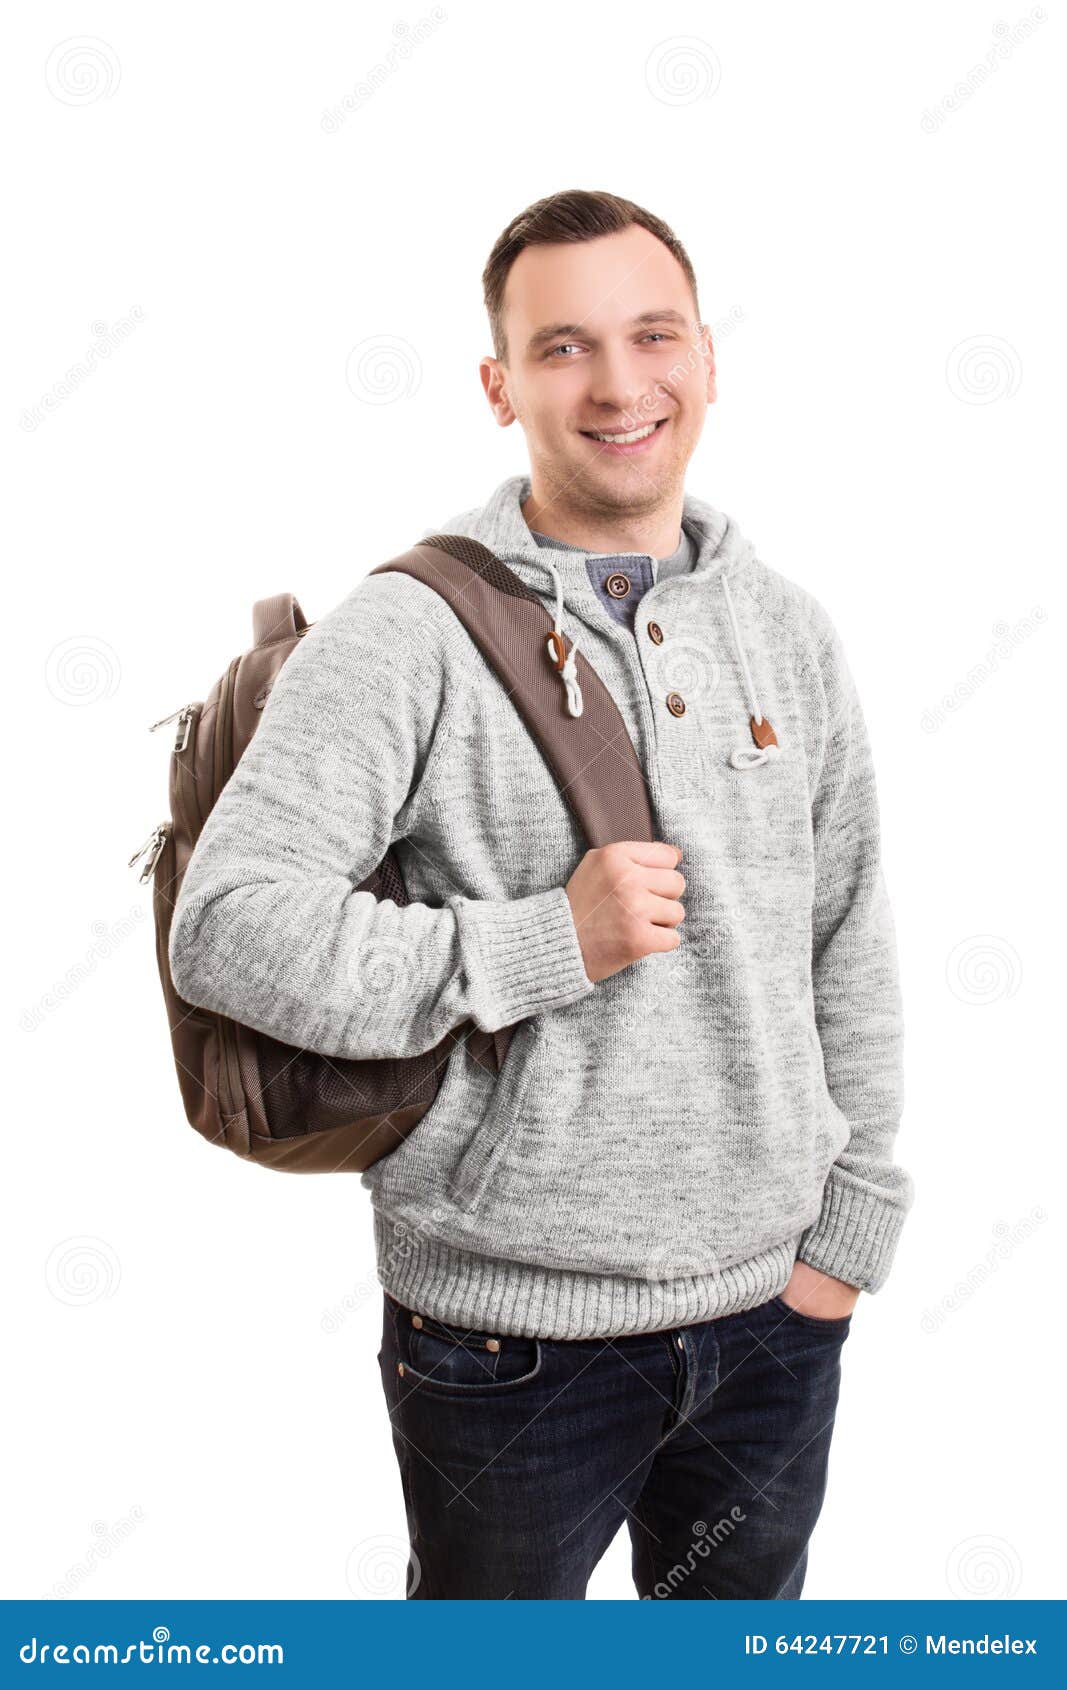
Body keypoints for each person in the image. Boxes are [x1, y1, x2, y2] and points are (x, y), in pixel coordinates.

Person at [169, 188, 913, 1600]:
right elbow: (230, 924)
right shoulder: (411, 633)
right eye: (565, 347)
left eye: (654, 335)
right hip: (506, 1340)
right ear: (500, 385)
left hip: (775, 1317)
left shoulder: (790, 632)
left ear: (708, 357)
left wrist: (846, 1244)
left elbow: (851, 940)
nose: (621, 384)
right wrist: (542, 941)